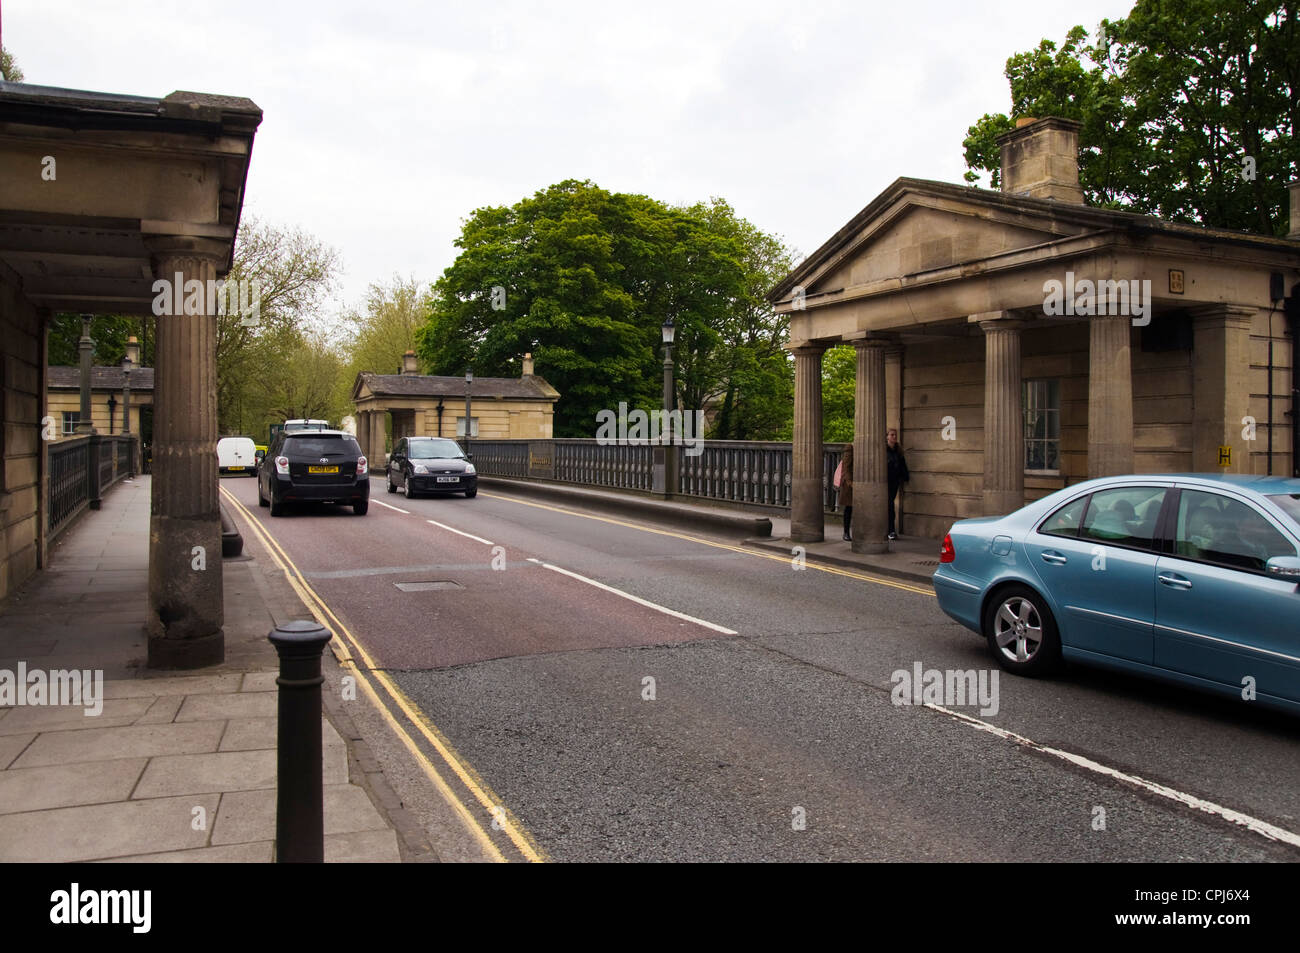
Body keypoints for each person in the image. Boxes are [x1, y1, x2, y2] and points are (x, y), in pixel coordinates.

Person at [886, 428, 908, 540]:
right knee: (889, 506)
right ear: (887, 437)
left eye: (895, 435)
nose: (894, 437)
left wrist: (904, 477)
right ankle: (891, 530)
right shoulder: (884, 450)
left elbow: (902, 465)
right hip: (885, 483)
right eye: (892, 435)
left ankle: (890, 530)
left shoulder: (898, 450)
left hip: (894, 482)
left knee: (890, 505)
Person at [838, 444, 853, 541]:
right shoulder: (850, 449)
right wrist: (849, 482)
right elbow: (845, 468)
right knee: (849, 508)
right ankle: (846, 532)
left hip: (860, 482)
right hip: (850, 484)